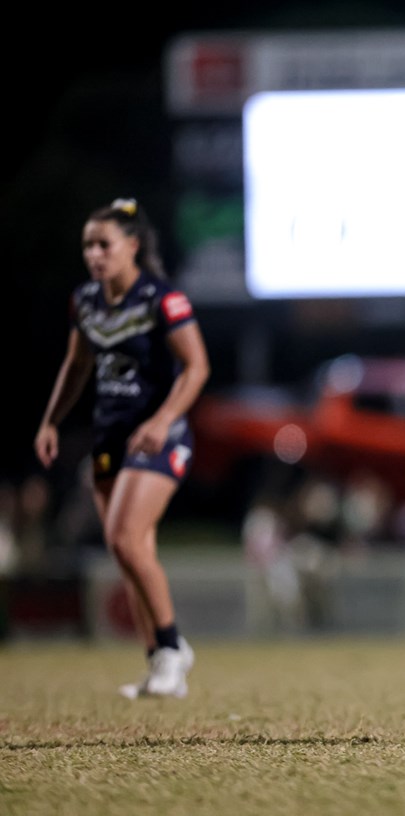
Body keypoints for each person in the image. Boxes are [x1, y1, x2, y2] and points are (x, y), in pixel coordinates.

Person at [34, 198, 210, 699]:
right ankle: (159, 664)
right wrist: (51, 420)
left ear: (132, 245)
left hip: (159, 437)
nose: (94, 253)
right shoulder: (87, 300)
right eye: (88, 245)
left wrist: (162, 419)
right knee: (129, 550)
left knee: (126, 538)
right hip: (110, 436)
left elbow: (197, 367)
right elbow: (76, 366)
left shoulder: (161, 297)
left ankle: (173, 649)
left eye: (103, 244)